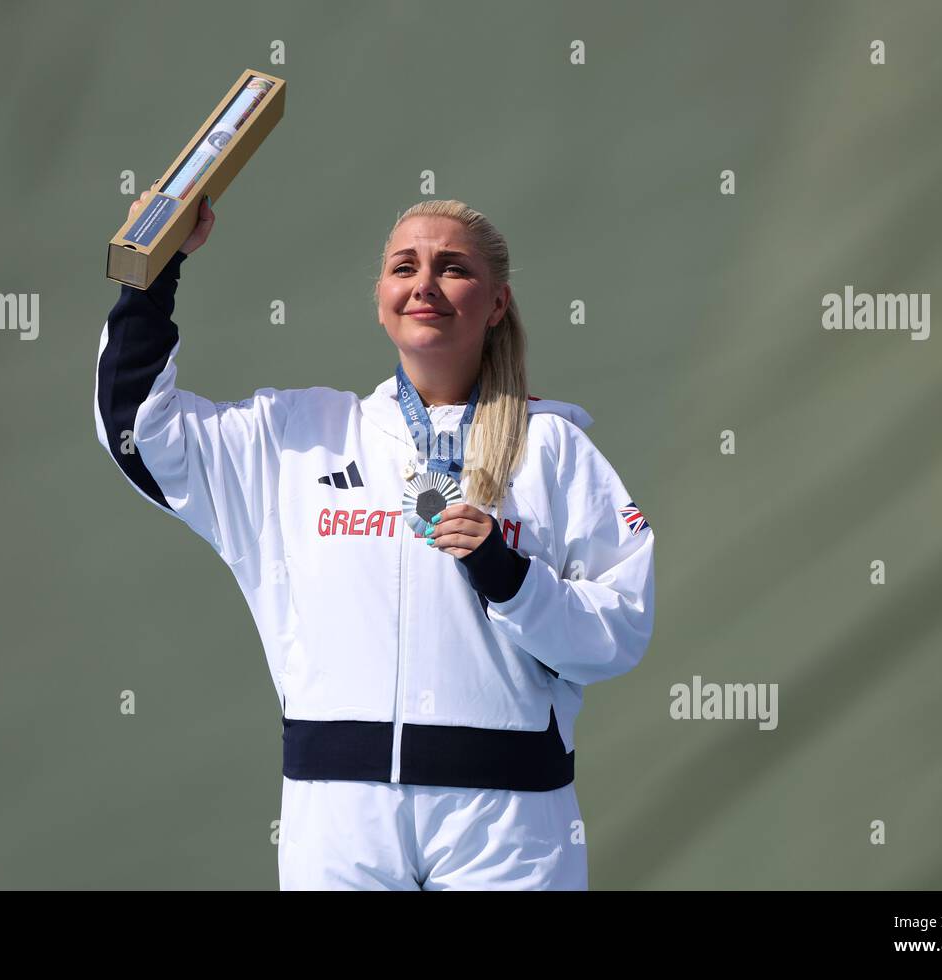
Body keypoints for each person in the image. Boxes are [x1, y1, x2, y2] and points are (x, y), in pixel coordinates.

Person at [94, 191, 656, 889]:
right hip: (338, 818)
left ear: (499, 302)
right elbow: (141, 433)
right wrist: (151, 272)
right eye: (404, 267)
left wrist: (510, 577)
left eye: (452, 268)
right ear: (381, 298)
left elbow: (619, 632)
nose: (424, 284)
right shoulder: (297, 439)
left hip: (505, 820)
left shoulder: (553, 451)